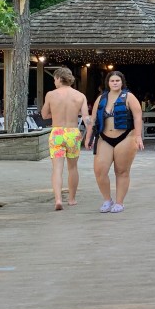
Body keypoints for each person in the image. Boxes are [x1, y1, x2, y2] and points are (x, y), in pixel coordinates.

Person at [84, 69, 145, 213]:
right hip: (104, 138)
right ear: (108, 83)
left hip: (125, 137)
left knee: (122, 171)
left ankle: (119, 202)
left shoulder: (129, 97)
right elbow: (92, 120)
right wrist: (88, 137)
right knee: (100, 171)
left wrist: (137, 136)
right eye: (112, 80)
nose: (115, 83)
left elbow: (137, 116)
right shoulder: (101, 97)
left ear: (122, 82)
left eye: (117, 80)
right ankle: (107, 200)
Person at [41, 67, 90, 211]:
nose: (54, 82)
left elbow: (44, 115)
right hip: (72, 133)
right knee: (73, 167)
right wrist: (89, 134)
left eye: (54, 79)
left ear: (58, 78)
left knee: (57, 169)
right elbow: (86, 118)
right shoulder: (80, 96)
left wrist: (54, 114)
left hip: (57, 133)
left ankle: (58, 199)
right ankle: (72, 199)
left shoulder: (51, 95)